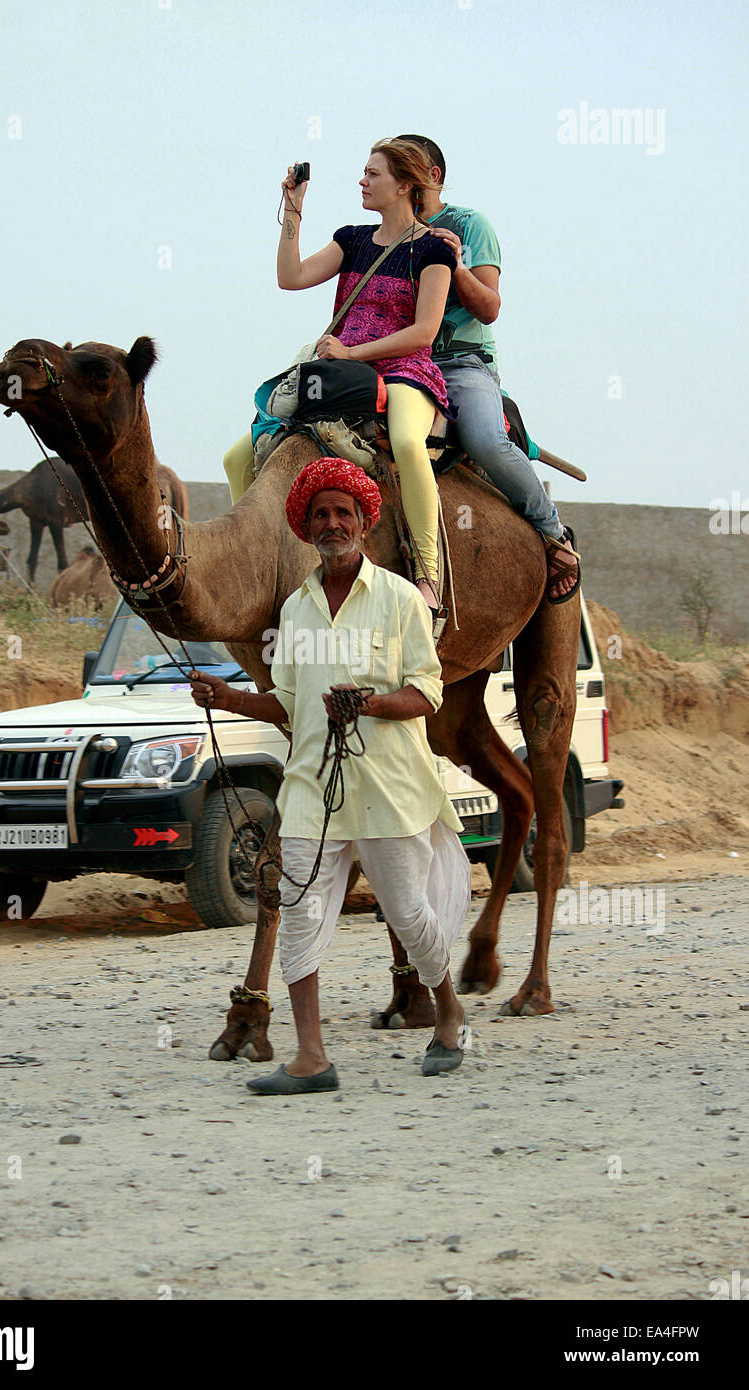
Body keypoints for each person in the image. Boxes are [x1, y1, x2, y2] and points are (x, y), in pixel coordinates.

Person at [190, 457, 471, 1094]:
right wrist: (227, 697)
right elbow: (287, 700)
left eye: (344, 512)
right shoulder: (296, 610)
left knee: (407, 915)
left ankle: (448, 1009)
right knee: (299, 912)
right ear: (306, 527)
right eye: (321, 514)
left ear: (365, 523)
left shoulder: (400, 599)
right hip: (312, 787)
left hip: (388, 788)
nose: (332, 522)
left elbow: (428, 692)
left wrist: (368, 704)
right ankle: (311, 1057)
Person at [223, 139, 458, 613]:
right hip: (339, 374)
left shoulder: (434, 251)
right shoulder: (351, 240)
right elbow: (290, 277)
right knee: (235, 457)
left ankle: (428, 574)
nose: (362, 180)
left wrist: (353, 351)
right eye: (365, 172)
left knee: (409, 446)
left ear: (404, 185)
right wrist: (293, 209)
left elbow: (424, 332)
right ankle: (253, 559)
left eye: (373, 174)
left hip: (403, 372)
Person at [396, 134, 581, 603]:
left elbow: (489, 307)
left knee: (484, 438)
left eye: (406, 169)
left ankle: (553, 533)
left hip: (460, 363)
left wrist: (455, 264)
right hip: (400, 361)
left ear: (434, 177)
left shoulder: (469, 224)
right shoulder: (387, 232)